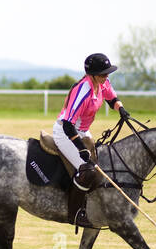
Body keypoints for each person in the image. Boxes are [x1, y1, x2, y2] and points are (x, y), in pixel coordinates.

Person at [53, 53, 133, 228]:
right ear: (93, 74)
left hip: (83, 131)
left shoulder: (102, 83)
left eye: (107, 73)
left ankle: (94, 204)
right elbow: (68, 124)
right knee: (87, 169)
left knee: (101, 165)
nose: (107, 76)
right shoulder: (83, 90)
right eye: (103, 73)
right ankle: (74, 213)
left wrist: (121, 109)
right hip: (66, 132)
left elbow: (112, 98)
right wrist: (80, 147)